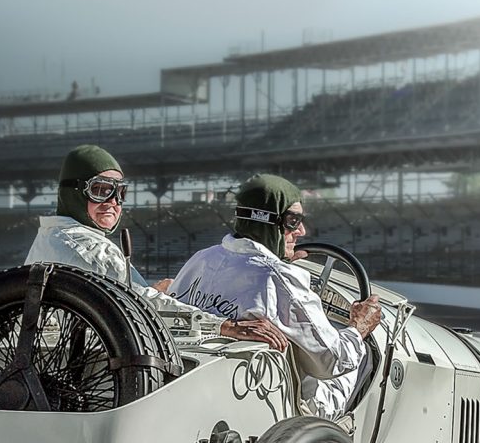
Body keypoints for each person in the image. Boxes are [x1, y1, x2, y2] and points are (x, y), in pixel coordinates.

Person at [24, 145, 286, 349]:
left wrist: (146, 290)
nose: (113, 202)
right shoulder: (91, 249)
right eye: (101, 190)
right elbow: (142, 309)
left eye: (120, 193)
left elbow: (125, 296)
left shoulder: (48, 237)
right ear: (75, 192)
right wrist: (226, 326)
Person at [169, 173, 382, 419]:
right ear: (267, 222)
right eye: (293, 221)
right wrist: (359, 328)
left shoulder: (201, 259)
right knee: (362, 355)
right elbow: (332, 361)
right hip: (287, 406)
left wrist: (277, 255)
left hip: (208, 390)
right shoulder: (279, 277)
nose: (301, 230)